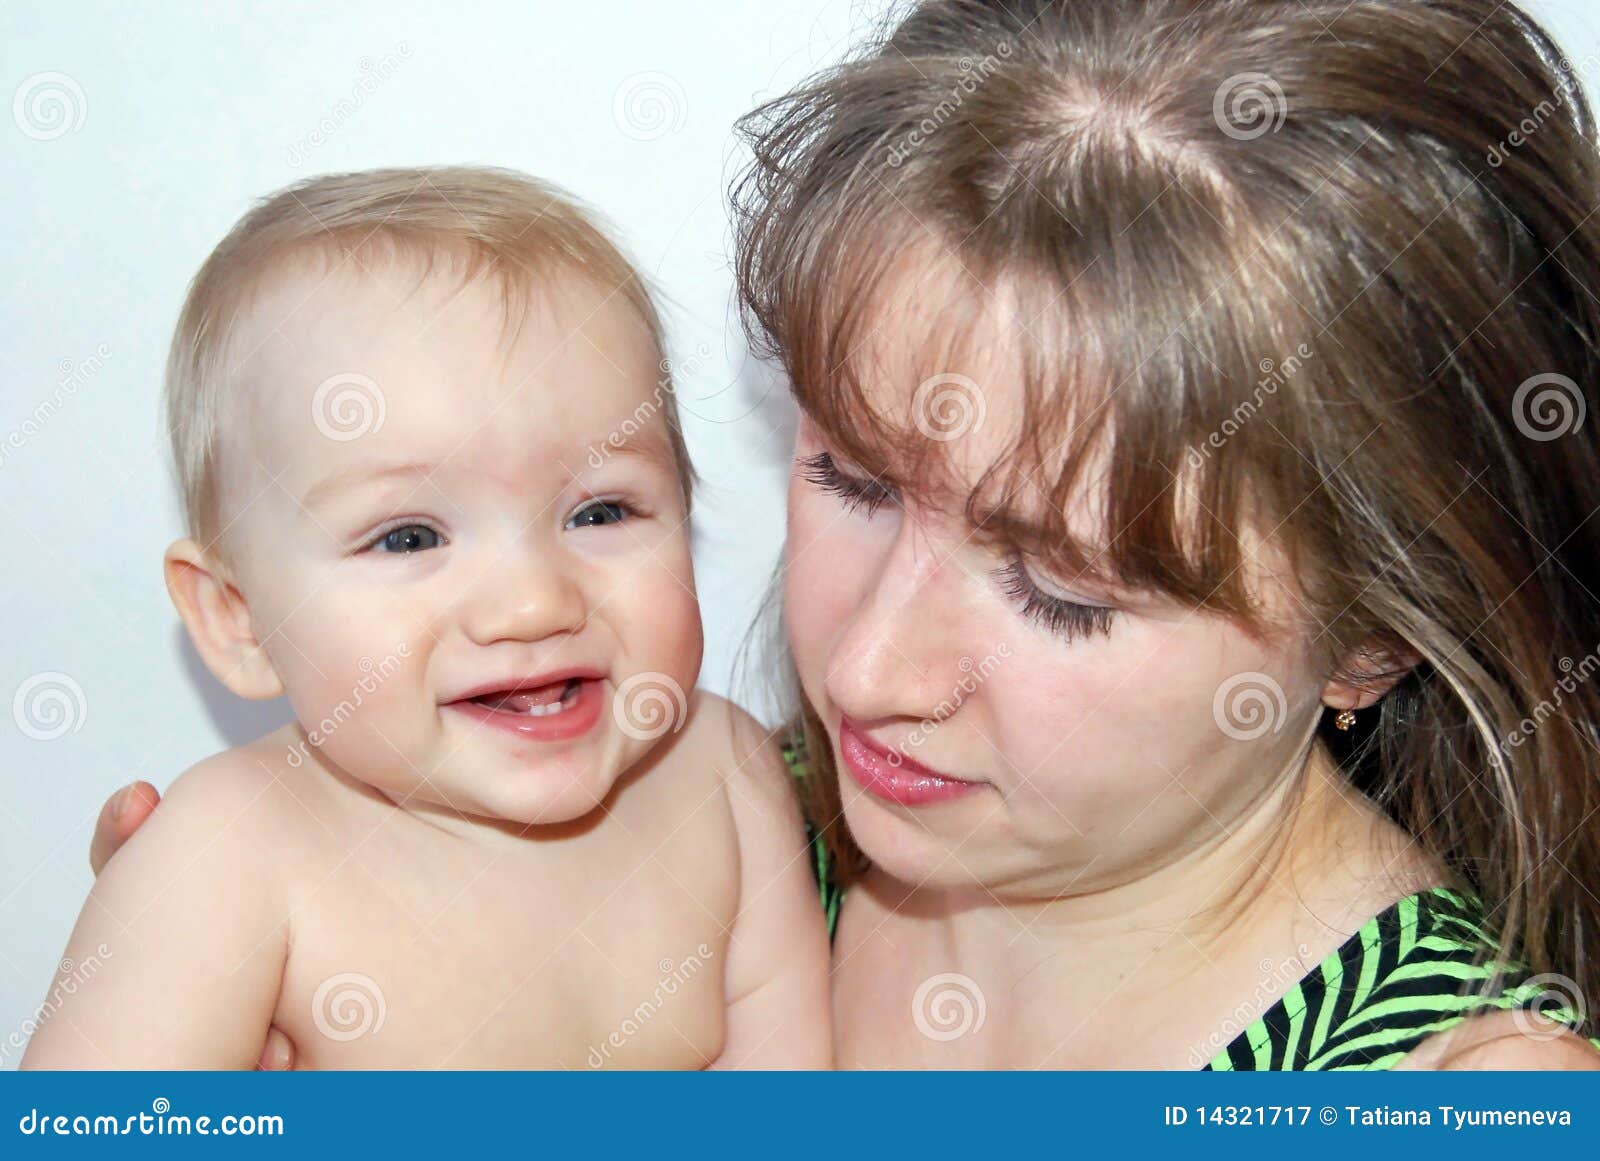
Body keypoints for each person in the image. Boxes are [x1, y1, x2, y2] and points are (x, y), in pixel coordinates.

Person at [88, 0, 1600, 1069]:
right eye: (854, 480)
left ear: (1370, 632)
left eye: (1062, 589)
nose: (866, 673)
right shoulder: (697, 830)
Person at [26, 166, 830, 1069]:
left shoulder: (725, 781)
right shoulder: (228, 854)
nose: (534, 603)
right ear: (238, 619)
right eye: (408, 537)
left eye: (600, 512)